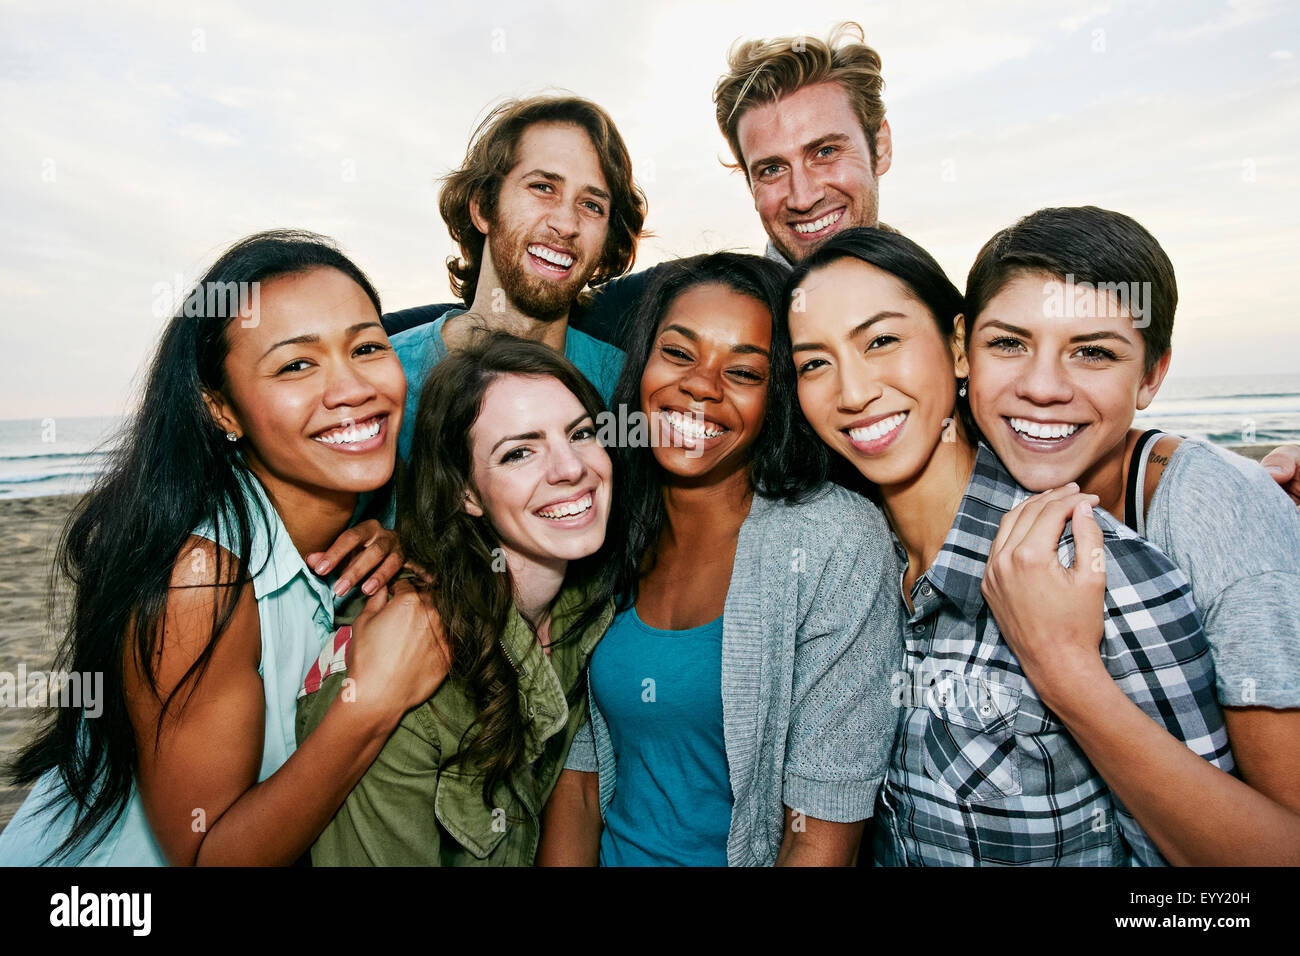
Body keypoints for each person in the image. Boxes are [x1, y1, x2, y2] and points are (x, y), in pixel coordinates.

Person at [782, 226, 1233, 865]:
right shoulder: (852, 566)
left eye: (882, 340)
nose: (852, 393)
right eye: (814, 363)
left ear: (959, 346)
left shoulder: (1095, 569)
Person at [0, 230, 447, 866]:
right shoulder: (201, 577)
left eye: (367, 347)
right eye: (296, 364)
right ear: (222, 409)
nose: (350, 388)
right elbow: (207, 858)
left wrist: (394, 543)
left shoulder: (355, 522)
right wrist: (371, 703)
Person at [537, 252, 901, 867]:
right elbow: (578, 781)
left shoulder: (836, 540)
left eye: (745, 372)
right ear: (642, 363)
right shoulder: (600, 521)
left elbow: (820, 832)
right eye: (679, 353)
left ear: (776, 399)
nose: (703, 386)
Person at [962, 206, 1300, 863]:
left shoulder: (1216, 522)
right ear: (962, 351)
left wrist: (1063, 671)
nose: (1042, 388)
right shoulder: (965, 476)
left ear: (1151, 375)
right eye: (1008, 343)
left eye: (1092, 352)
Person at [297, 335, 616, 865]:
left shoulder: (587, 616)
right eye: (519, 452)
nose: (570, 468)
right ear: (466, 493)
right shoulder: (404, 670)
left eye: (581, 434)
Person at [384, 95, 648, 460]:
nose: (566, 224)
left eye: (592, 205)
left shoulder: (626, 390)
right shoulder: (382, 382)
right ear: (483, 208)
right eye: (543, 187)